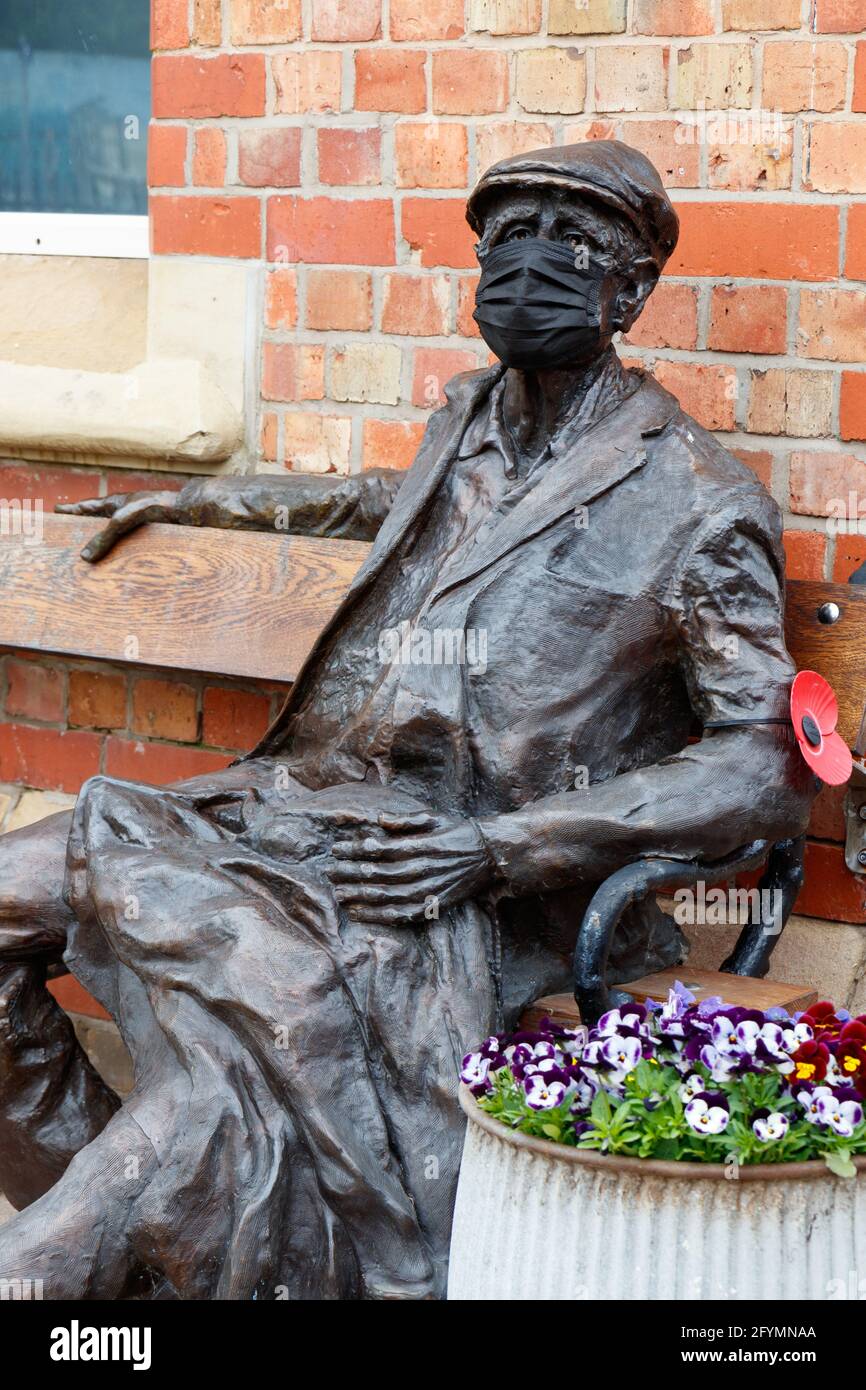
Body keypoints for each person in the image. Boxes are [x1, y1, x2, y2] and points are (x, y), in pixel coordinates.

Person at [0, 142, 814, 1300]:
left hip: (465, 886)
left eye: (568, 245)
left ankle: (60, 1271)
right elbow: (377, 505)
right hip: (294, 811)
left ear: (629, 290)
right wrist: (201, 498)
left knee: (257, 1008)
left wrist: (497, 849)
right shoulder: (469, 424)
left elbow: (764, 768)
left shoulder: (697, 500)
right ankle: (149, 1267)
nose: (524, 266)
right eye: (504, 240)